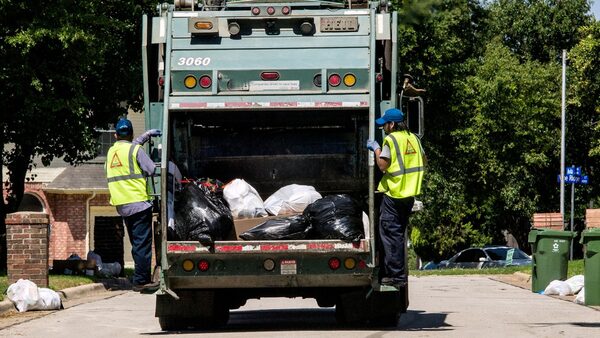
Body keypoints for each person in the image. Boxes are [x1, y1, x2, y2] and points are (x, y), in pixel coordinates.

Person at [366, 108, 425, 287]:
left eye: (384, 124)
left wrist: (376, 149)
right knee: (398, 235)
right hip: (409, 194)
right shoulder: (414, 138)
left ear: (392, 124)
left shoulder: (390, 139)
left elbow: (383, 165)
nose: (383, 127)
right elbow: (424, 160)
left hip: (394, 194)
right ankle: (397, 274)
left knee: (391, 235)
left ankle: (396, 277)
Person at [105, 117, 161, 293]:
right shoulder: (135, 150)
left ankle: (139, 277)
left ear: (115, 135)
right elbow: (151, 169)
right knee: (142, 245)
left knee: (136, 244)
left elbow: (127, 148)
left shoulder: (111, 152)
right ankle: (141, 281)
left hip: (122, 205)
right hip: (138, 203)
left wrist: (144, 137)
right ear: (131, 134)